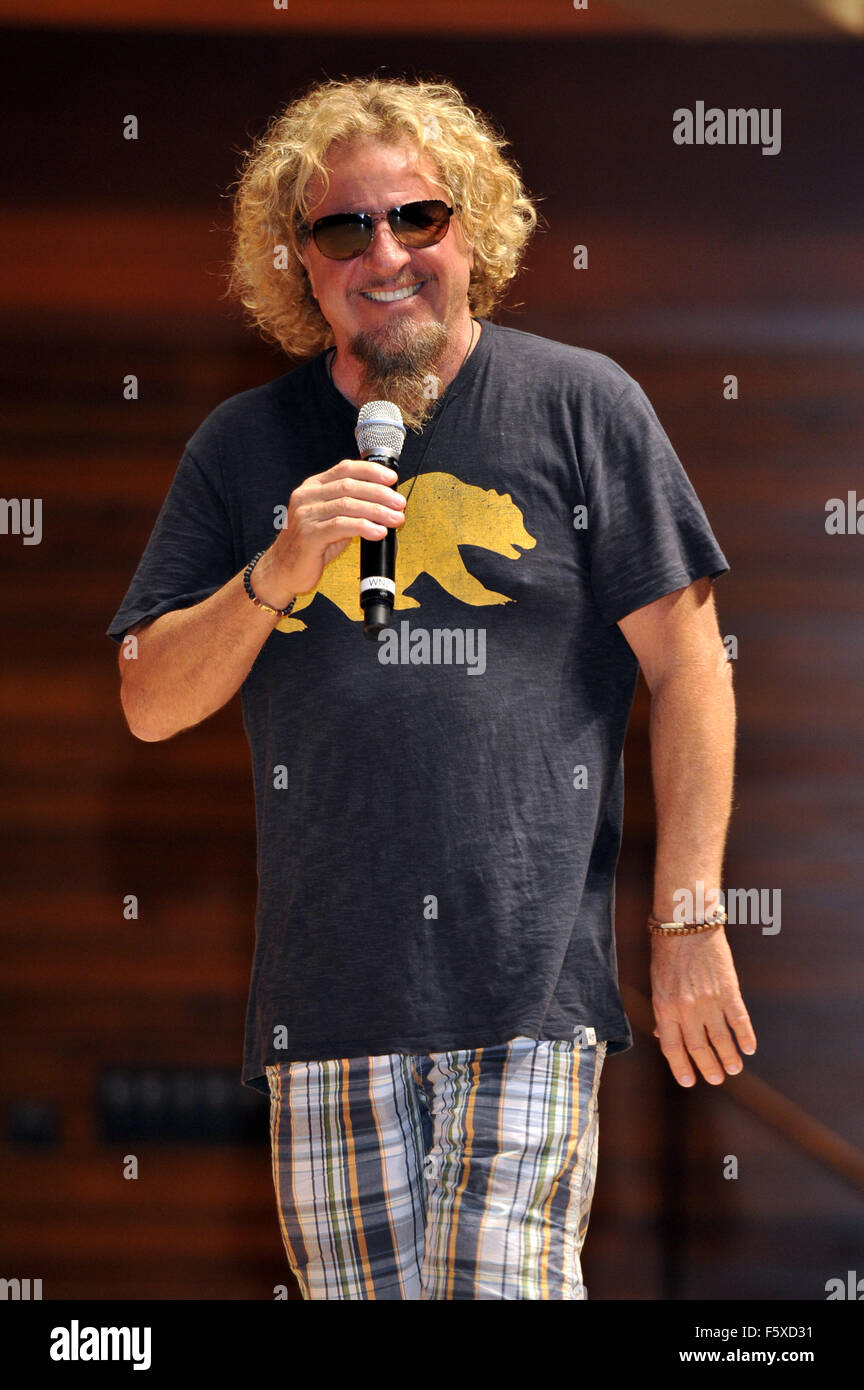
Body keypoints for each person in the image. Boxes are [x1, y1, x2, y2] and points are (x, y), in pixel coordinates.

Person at [107, 74, 756, 1301]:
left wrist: (688, 917)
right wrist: (277, 570)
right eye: (343, 227)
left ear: (477, 233)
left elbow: (692, 666)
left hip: (528, 993)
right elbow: (145, 696)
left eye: (419, 217)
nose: (385, 253)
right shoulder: (244, 449)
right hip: (325, 1013)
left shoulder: (582, 407)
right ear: (297, 261)